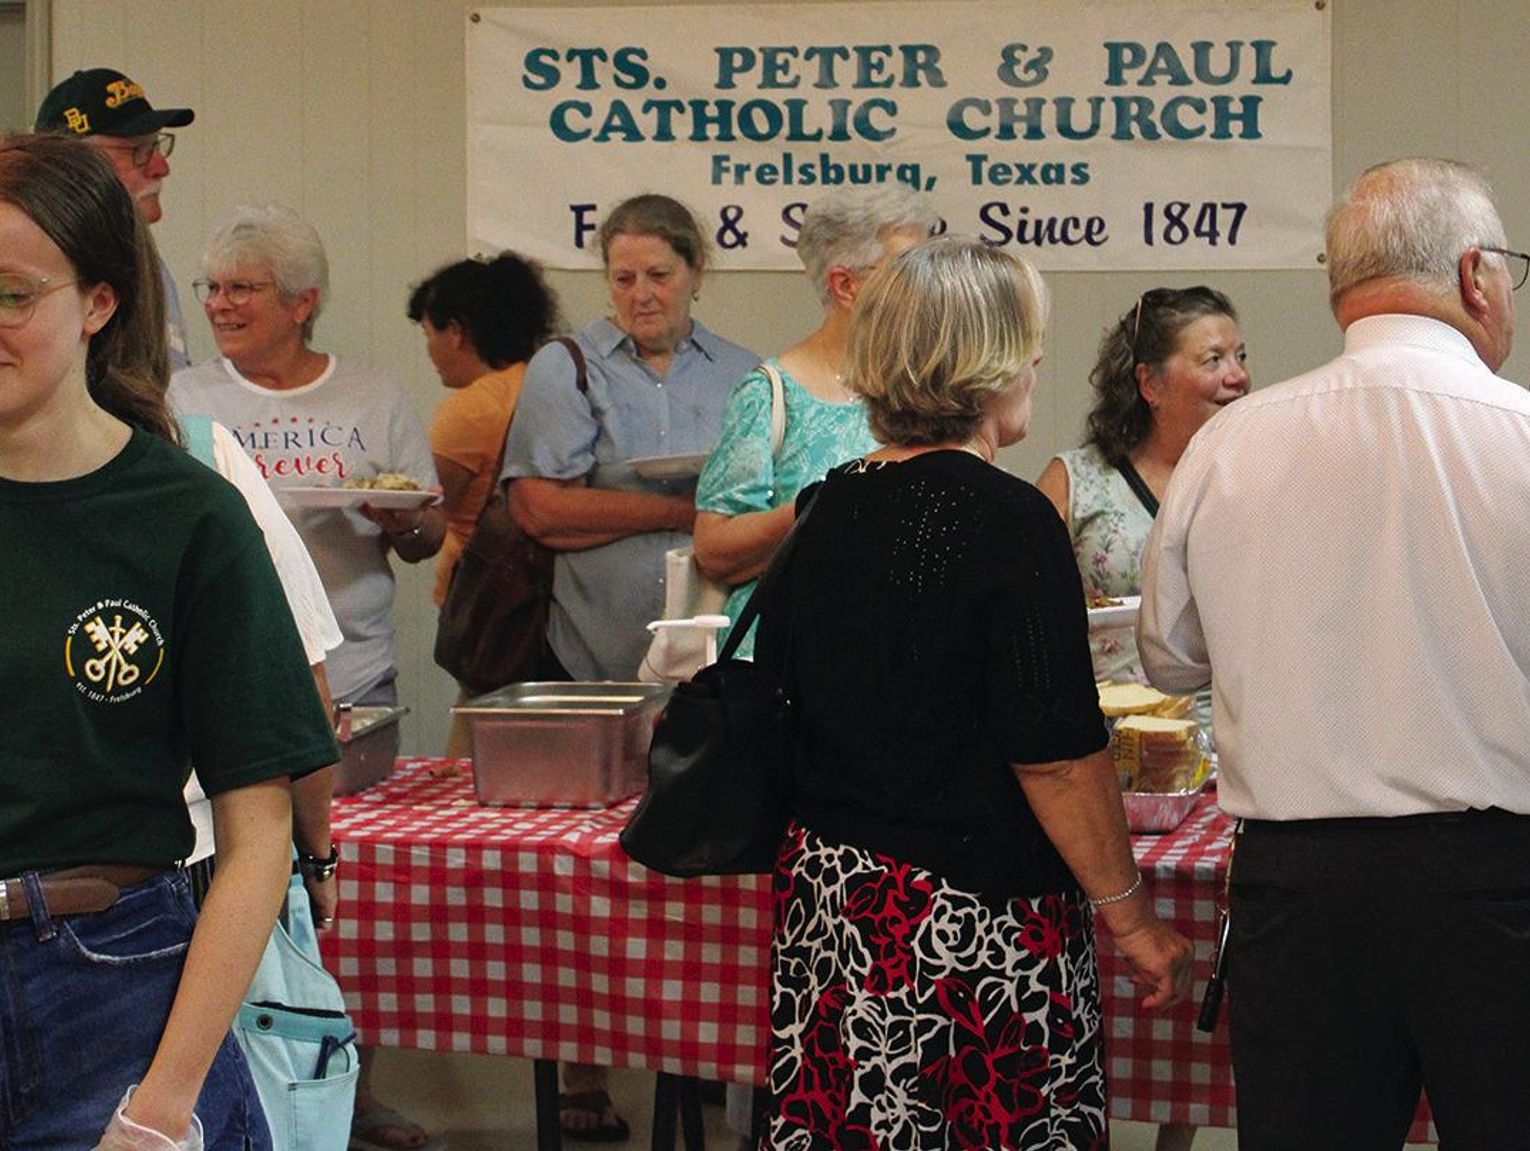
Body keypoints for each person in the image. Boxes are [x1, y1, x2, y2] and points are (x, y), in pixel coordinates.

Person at [752, 236, 1193, 1150]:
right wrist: (1133, 918)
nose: (1037, 358)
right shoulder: (1009, 518)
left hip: (839, 916)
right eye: (1027, 338)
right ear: (985, 361)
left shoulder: (826, 505)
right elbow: (1058, 755)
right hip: (973, 926)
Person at [1138, 157, 1530, 1150]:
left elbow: (1172, 659)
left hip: (1297, 884)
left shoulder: (1227, 445)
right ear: (1479, 276)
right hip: (1496, 879)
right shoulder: (1522, 433)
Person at [0, 132, 336, 1148]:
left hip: (113, 993)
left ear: (99, 304)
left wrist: (162, 1104)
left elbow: (258, 835)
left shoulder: (187, 513)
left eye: (13, 295)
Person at [166, 204, 445, 1151]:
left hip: (352, 684)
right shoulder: (183, 400)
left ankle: (339, 1081)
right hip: (223, 700)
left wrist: (399, 517)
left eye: (242, 288)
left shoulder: (370, 392)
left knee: (329, 908)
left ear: (303, 302)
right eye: (211, 287)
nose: (219, 305)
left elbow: (428, 530)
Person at [504, 192, 758, 1141]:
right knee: (591, 878)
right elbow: (540, 509)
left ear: (697, 272)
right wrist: (677, 513)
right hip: (593, 659)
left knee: (704, 863)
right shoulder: (563, 369)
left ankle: (699, 1054)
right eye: (622, 277)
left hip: (711, 665)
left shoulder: (745, 374)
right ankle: (582, 1067)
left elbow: (762, 501)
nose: (641, 295)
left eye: (659, 275)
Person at [692, 185, 937, 659]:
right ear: (846, 286)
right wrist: (829, 499)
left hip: (897, 658)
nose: (925, 289)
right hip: (787, 662)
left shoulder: (924, 391)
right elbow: (715, 548)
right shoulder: (770, 393)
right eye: (906, 273)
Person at [1036, 288, 1248, 690]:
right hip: (1110, 733)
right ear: (1149, 384)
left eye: (1241, 357)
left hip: (1226, 737)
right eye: (1214, 359)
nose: (1237, 376)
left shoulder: (1256, 479)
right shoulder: (1076, 481)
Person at [409, 252, 560, 754]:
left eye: (429, 332)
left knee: (472, 765)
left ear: (456, 332)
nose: (429, 350)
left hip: (491, 611)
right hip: (553, 608)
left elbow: (423, 504)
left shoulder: (471, 408)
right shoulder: (548, 382)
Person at [35, 67, 196, 370]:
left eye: (155, 146)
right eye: (137, 150)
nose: (161, 167)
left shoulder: (145, 261)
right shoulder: (35, 262)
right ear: (72, 164)